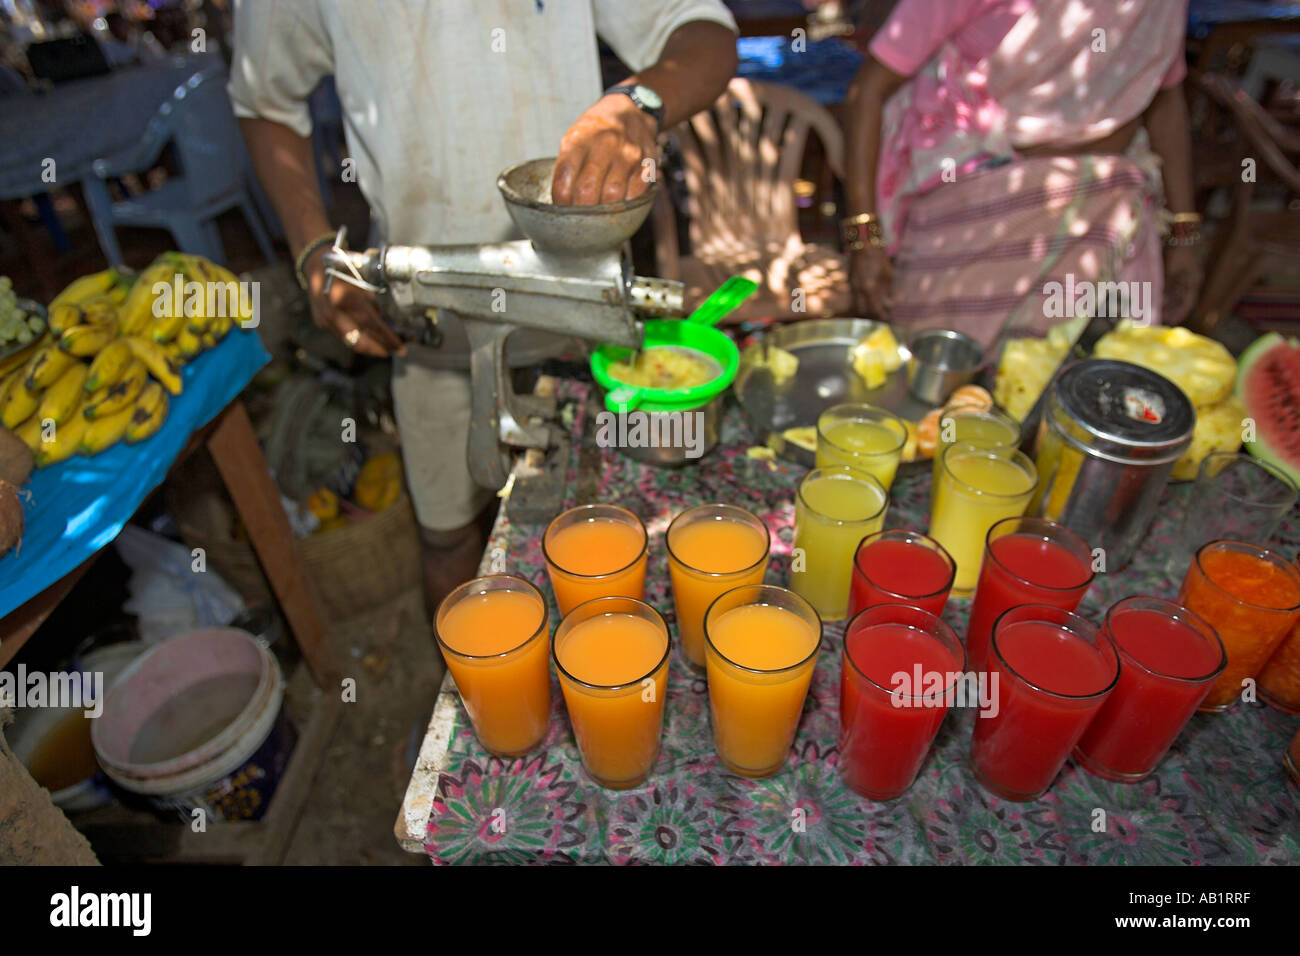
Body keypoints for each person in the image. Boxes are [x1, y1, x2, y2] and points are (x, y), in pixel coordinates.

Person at [229, 1, 738, 618]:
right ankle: (478, 675)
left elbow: (705, 33)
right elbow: (263, 102)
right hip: (429, 320)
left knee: (611, 530)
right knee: (447, 537)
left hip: (591, 312)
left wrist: (637, 103)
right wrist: (314, 249)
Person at [842, 0, 1199, 352]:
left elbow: (1165, 97)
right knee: (938, 361)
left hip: (1108, 220)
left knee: (1076, 367)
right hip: (972, 212)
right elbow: (868, 90)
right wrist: (864, 239)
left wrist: (1184, 233)